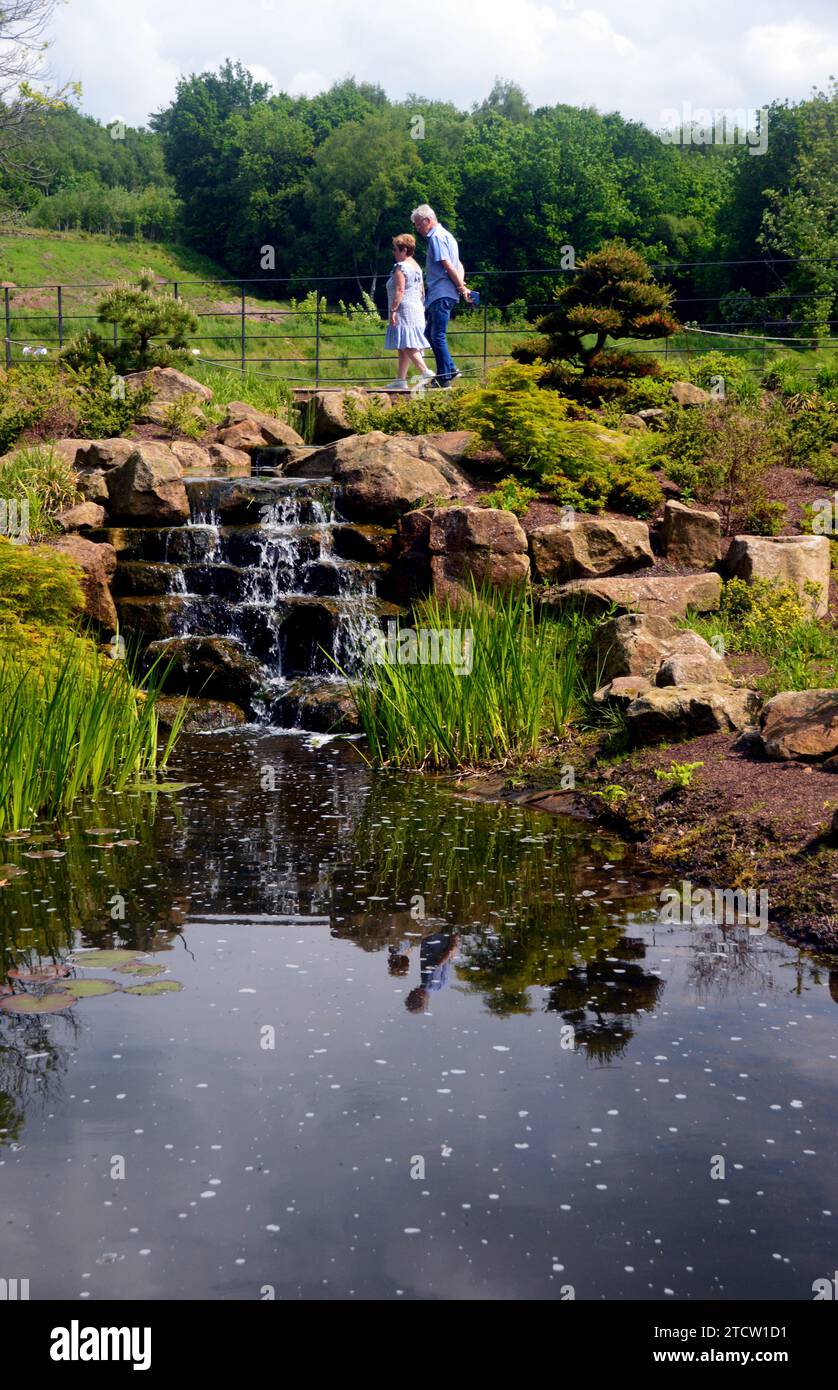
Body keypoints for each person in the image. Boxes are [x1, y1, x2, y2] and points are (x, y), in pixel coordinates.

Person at [410, 203, 471, 387]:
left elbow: (448, 265)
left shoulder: (436, 237)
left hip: (441, 292)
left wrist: (460, 287)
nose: (418, 230)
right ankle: (450, 369)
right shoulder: (448, 236)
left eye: (418, 225)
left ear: (427, 221)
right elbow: (459, 264)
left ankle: (444, 377)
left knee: (437, 335)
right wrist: (461, 285)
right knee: (430, 333)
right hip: (446, 292)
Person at [384, 233, 434, 391]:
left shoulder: (401, 267)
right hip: (417, 309)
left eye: (395, 249)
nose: (393, 252)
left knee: (408, 343)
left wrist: (393, 310)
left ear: (404, 250)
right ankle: (401, 379)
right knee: (403, 343)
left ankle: (425, 371)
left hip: (404, 309)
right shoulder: (416, 266)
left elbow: (400, 290)